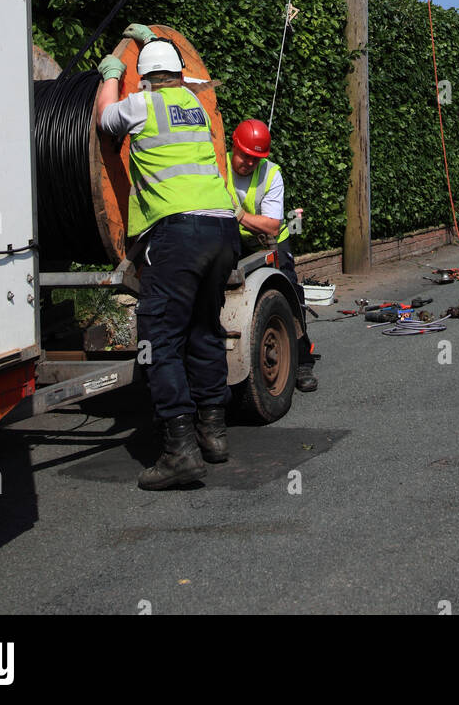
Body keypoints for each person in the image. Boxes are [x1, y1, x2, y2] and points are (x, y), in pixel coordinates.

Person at [96, 25, 243, 490]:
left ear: (142, 78)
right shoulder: (195, 108)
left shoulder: (141, 103)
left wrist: (110, 73)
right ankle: (213, 435)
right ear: (177, 74)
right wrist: (160, 42)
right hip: (222, 231)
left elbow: (104, 120)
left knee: (162, 338)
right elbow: (183, 76)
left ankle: (179, 452)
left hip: (177, 235)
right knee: (204, 328)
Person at [226, 118, 318, 393]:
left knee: (288, 294)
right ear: (234, 146)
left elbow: (272, 225)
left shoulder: (271, 174)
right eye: (245, 156)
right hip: (234, 240)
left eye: (256, 159)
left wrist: (239, 215)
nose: (249, 164)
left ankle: (302, 360)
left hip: (270, 241)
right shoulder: (218, 165)